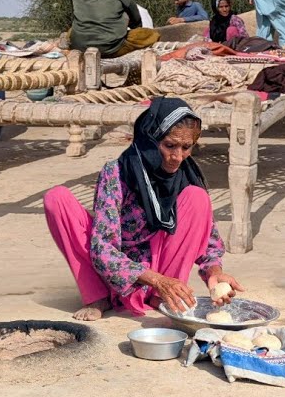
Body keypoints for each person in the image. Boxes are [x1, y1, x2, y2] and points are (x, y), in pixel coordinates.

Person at [42, 98, 242, 320]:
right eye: (170, 145)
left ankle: (161, 296)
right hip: (114, 270)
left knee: (198, 197)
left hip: (161, 268)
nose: (177, 157)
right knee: (56, 198)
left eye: (186, 147)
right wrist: (156, 279)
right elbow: (103, 248)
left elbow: (209, 243)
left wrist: (215, 273)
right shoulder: (117, 172)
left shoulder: (186, 176)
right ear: (151, 139)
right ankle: (98, 295)